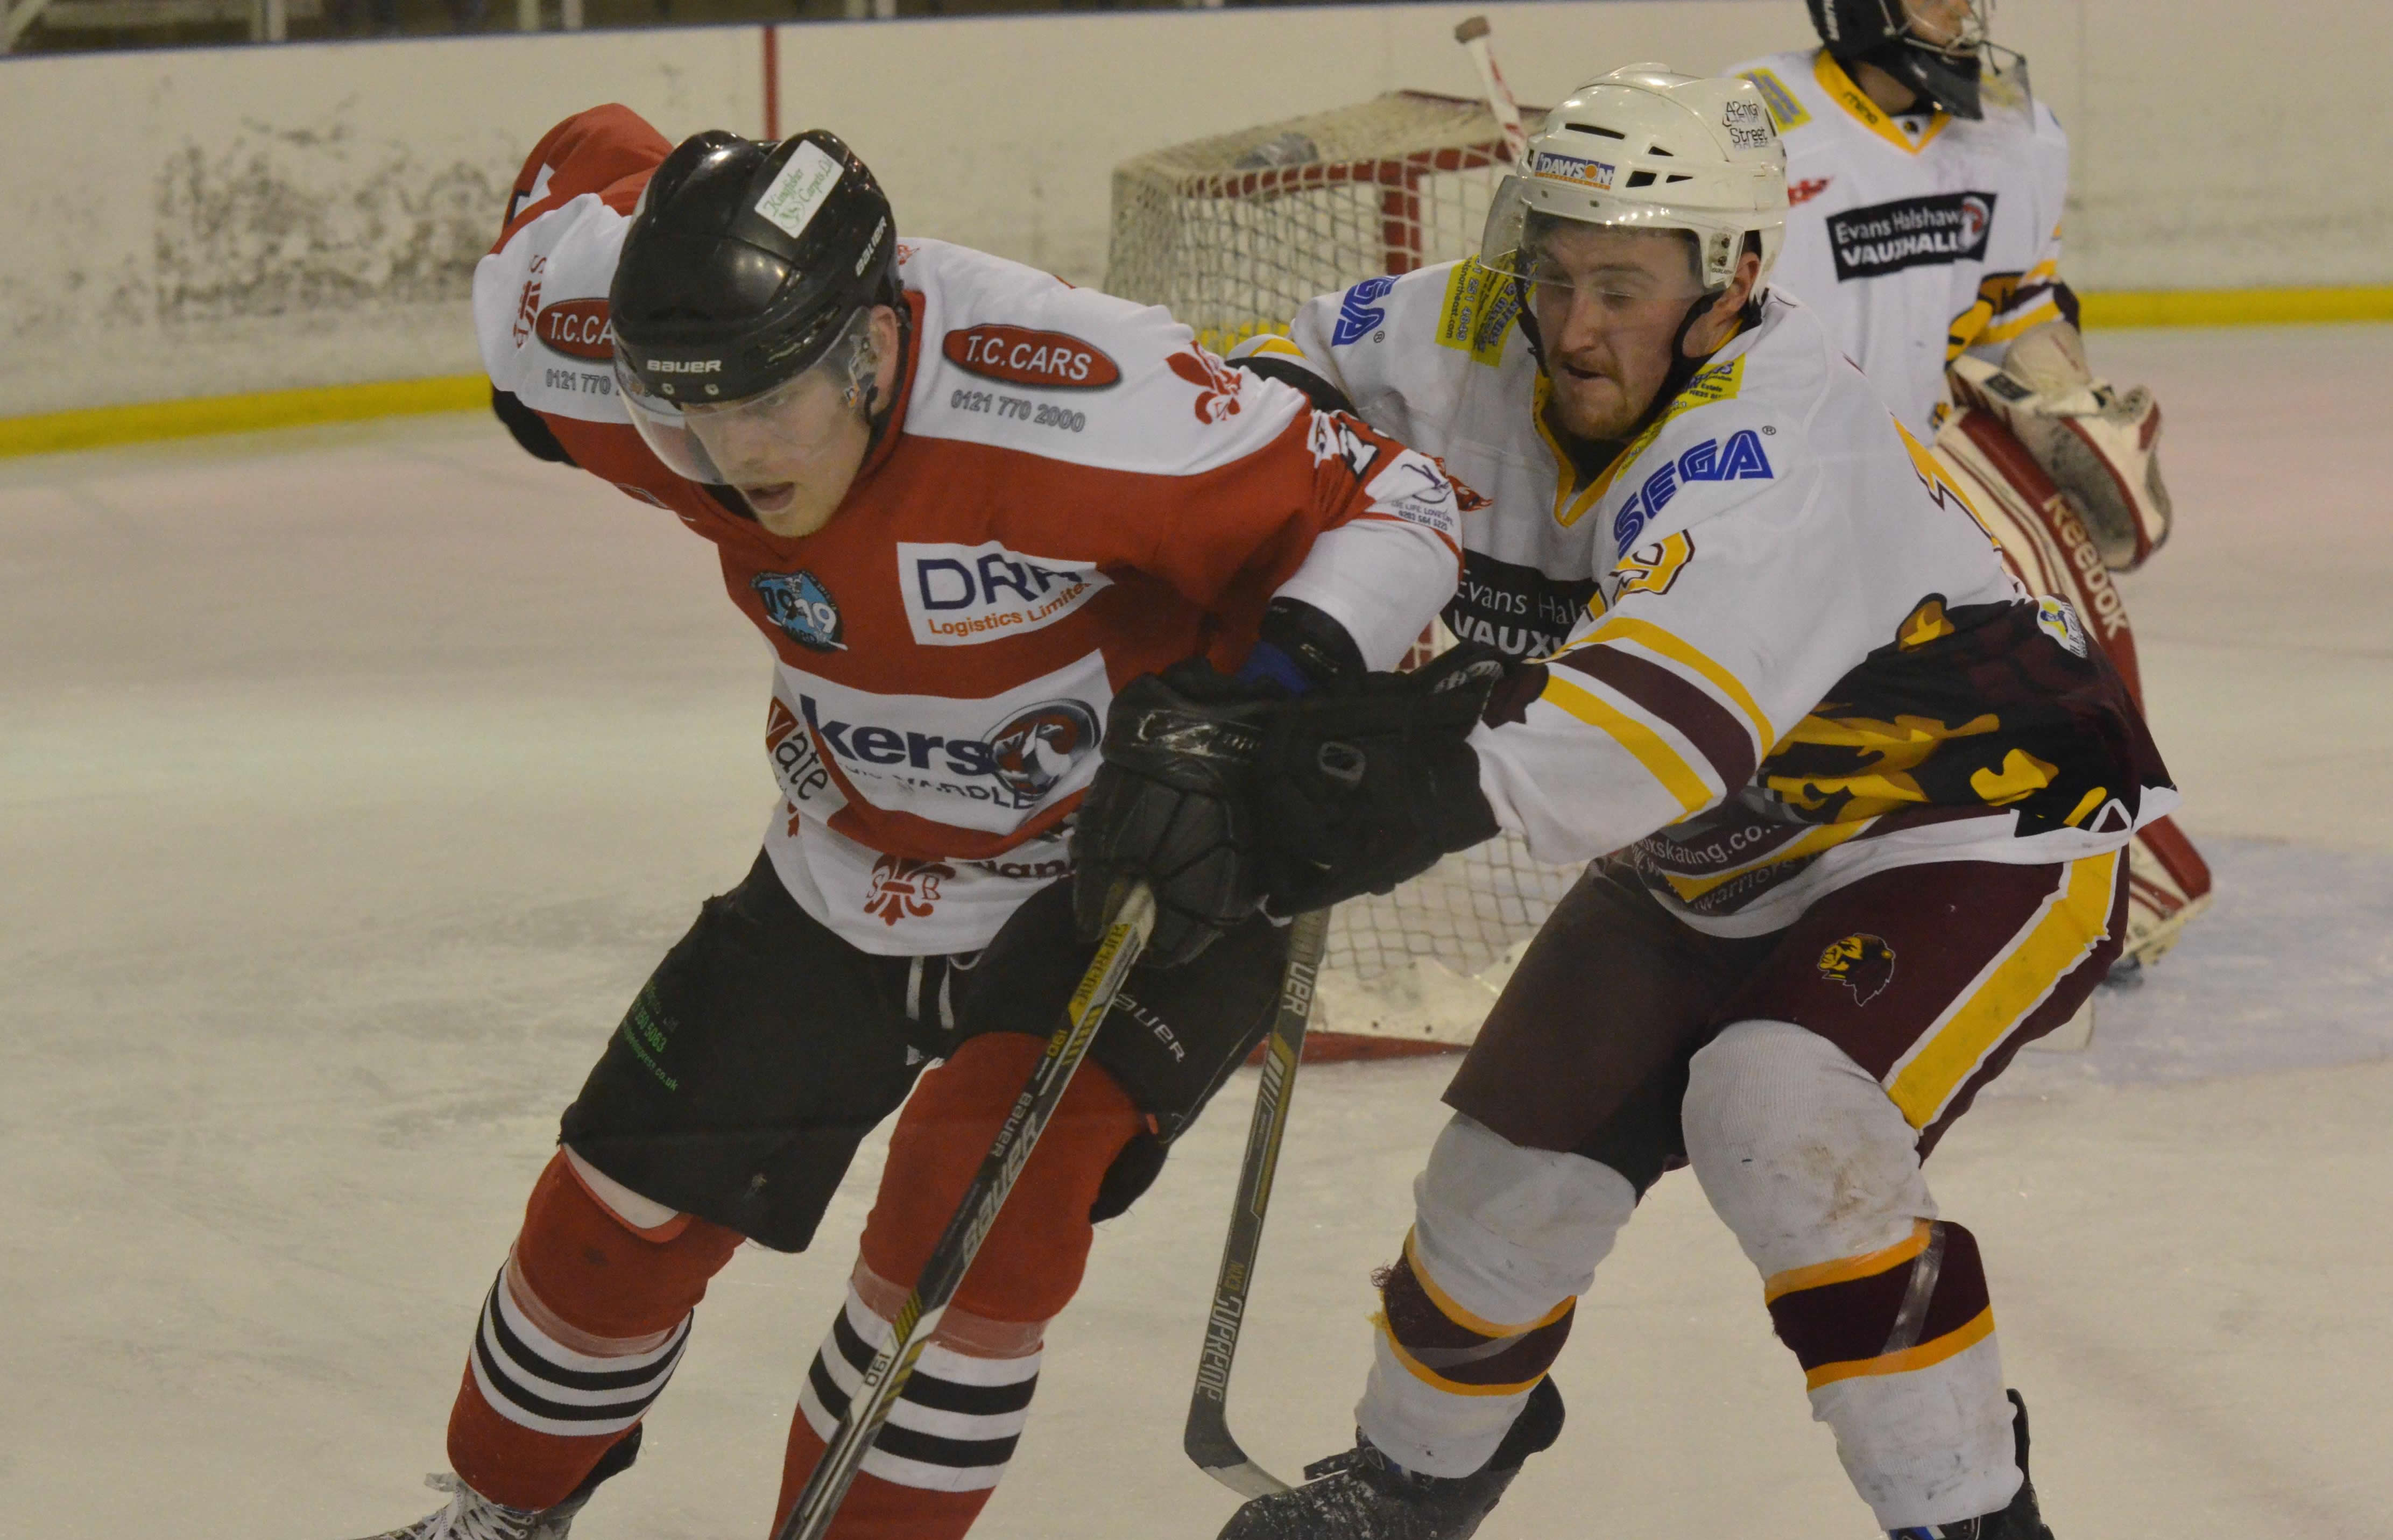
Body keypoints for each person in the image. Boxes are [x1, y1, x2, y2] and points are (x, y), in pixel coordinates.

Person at [352, 103, 1466, 1540]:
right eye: (681, 410)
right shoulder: (606, 342)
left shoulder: (1066, 391)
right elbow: (574, 174)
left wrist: (1267, 701)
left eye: (764, 405)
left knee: (969, 1226)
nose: (725, 449)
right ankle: (503, 1514)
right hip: (855, 855)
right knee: (614, 1208)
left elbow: (1401, 499)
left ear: (873, 347)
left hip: (1136, 869)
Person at [1209, 66, 2175, 1539]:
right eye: (1555, 271)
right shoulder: (1480, 322)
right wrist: (1279, 573)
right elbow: (1276, 373)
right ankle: (1412, 1481)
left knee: (1778, 1112)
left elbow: (1630, 748)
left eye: (1623, 283)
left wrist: (1366, 787)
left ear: (1730, 277)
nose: (1577, 323)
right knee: (1504, 1168)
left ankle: (1973, 1517)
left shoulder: (1779, 440)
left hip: (1970, 819)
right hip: (1715, 849)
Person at [1725, 0, 2210, 972]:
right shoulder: (1752, 124)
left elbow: (2017, 308)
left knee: (2025, 662)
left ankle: (2067, 875)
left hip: (1923, 475)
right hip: (1766, 481)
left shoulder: (2012, 126)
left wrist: (2065, 402)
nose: (1963, 11)